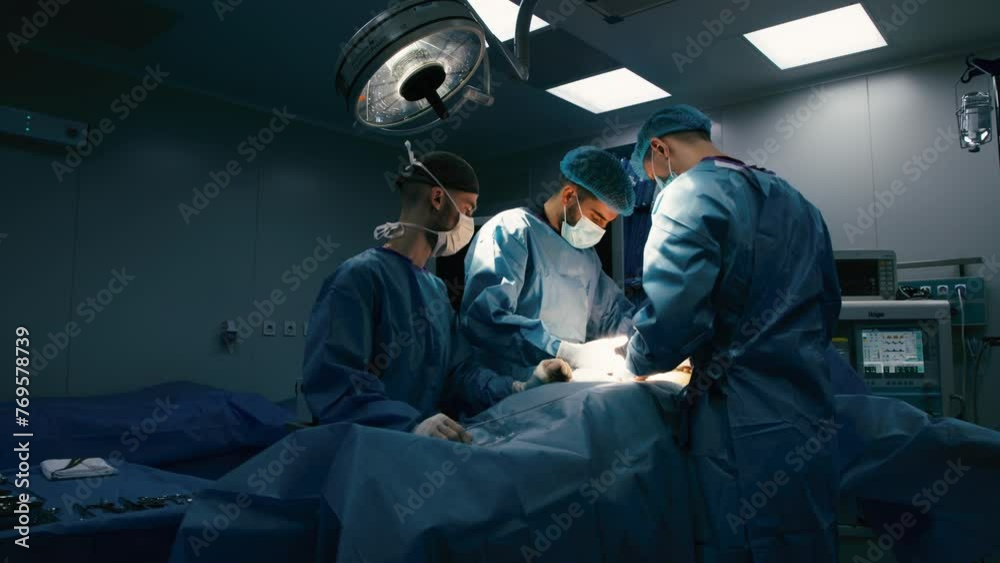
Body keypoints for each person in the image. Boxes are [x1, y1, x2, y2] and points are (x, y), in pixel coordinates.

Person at [624, 105, 842, 562]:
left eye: (653, 175)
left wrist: (633, 358)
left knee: (743, 544)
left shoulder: (688, 197)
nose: (657, 186)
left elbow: (670, 325)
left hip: (739, 426)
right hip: (808, 414)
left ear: (660, 150)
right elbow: (827, 307)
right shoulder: (796, 201)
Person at [302, 142, 571, 442]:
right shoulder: (358, 278)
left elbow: (459, 376)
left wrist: (519, 387)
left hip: (420, 455)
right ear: (438, 198)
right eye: (468, 209)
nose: (469, 221)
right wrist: (408, 426)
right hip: (365, 456)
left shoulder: (435, 291)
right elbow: (336, 387)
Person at [461, 146, 637, 379]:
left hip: (563, 387)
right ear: (568, 196)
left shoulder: (587, 259)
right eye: (596, 218)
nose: (600, 230)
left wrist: (655, 344)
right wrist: (565, 352)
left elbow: (613, 316)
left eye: (606, 223)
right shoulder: (512, 230)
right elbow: (486, 319)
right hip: (507, 388)